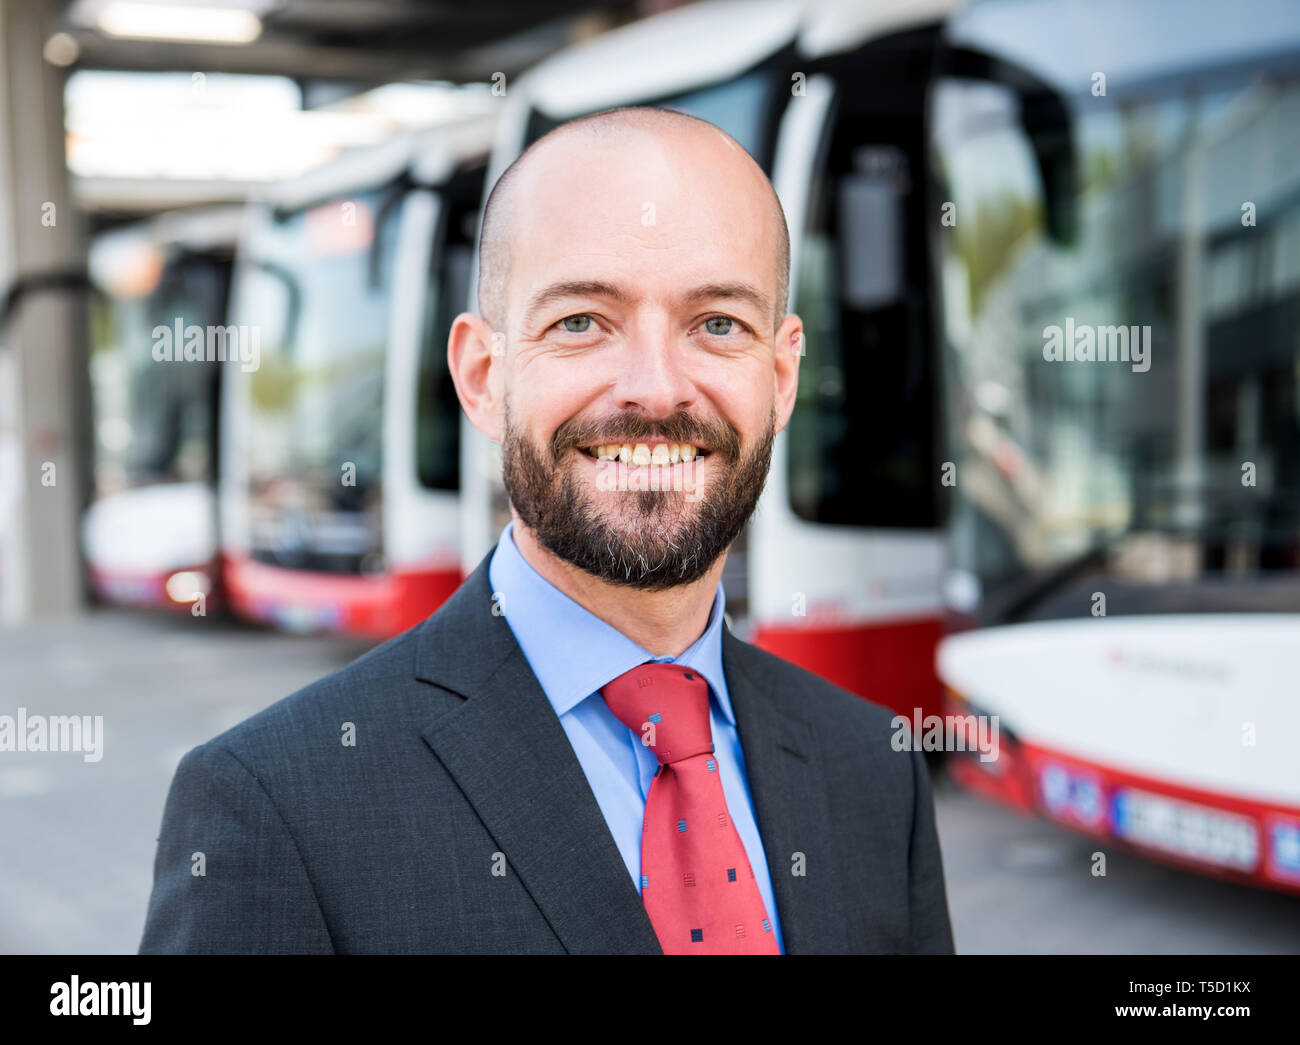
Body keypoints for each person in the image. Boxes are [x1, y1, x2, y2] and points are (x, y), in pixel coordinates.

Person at [139, 106, 955, 955]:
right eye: (581, 322)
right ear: (484, 377)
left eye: (718, 323)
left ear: (781, 377)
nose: (656, 389)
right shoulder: (272, 806)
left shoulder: (875, 768)